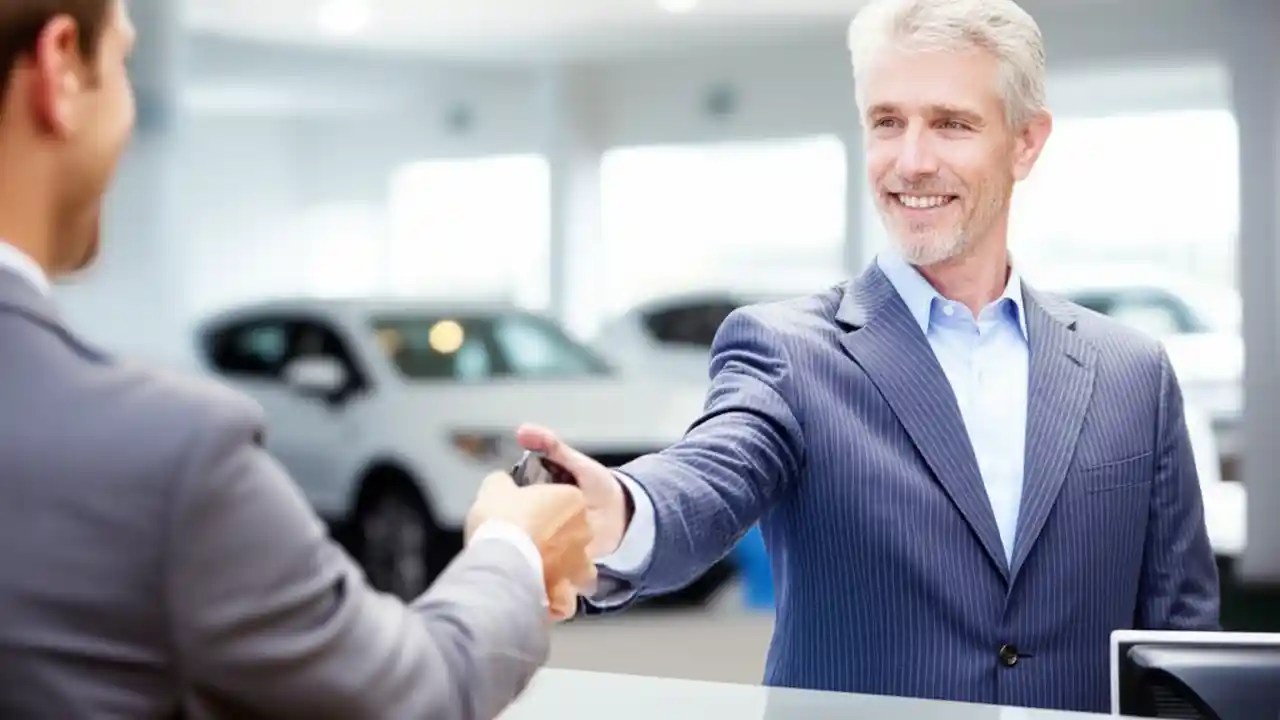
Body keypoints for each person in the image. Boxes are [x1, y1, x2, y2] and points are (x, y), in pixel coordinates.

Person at [517, 0, 1219, 712]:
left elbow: (1182, 648)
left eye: (950, 123)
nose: (911, 161)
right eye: (887, 122)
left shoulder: (1132, 374)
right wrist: (618, 508)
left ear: (1025, 143)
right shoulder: (788, 354)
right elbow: (709, 475)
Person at [0, 1, 596, 718]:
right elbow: (412, 694)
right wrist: (515, 549)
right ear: (62, 68)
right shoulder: (164, 453)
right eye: (123, 62)